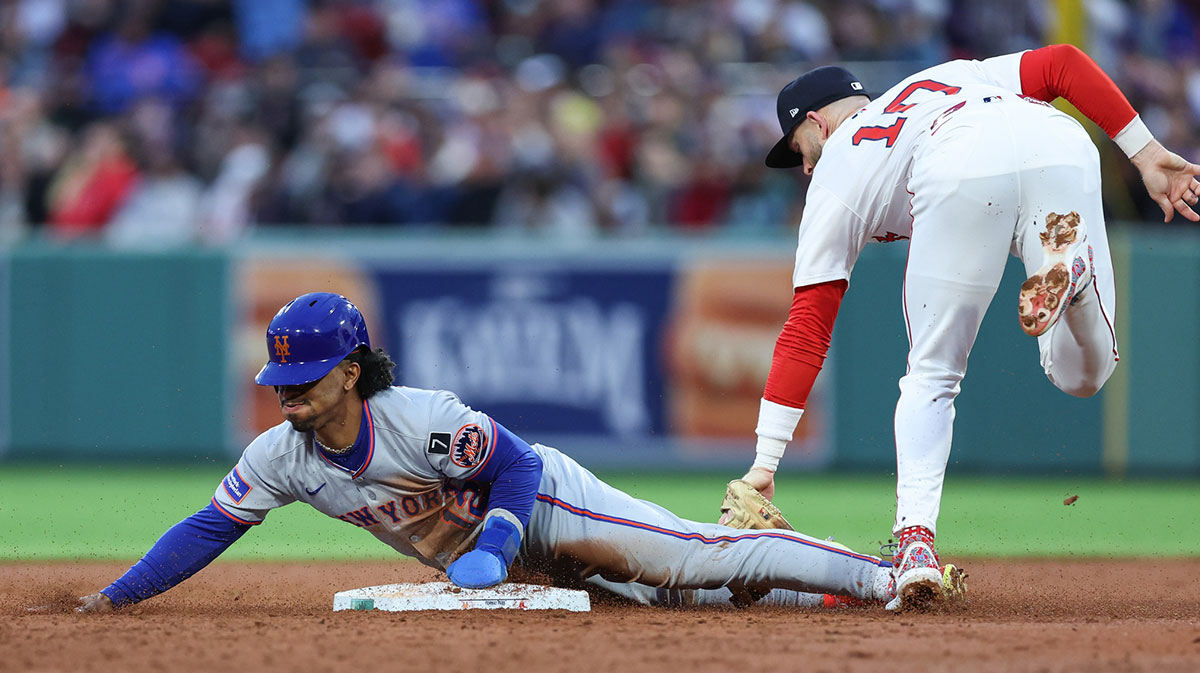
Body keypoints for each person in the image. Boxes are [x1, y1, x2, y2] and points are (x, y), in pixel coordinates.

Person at [77, 291, 919, 614]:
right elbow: (209, 525)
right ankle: (822, 603)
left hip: (543, 501)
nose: (285, 390)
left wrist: (497, 541)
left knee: (688, 559)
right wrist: (117, 597)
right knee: (666, 606)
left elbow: (514, 464)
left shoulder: (423, 418)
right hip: (499, 549)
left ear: (349, 371)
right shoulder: (281, 455)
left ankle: (884, 575)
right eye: (280, 376)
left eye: (302, 376)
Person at [732, 44, 1200, 609]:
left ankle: (915, 547)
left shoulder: (837, 166)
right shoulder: (946, 76)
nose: (804, 166)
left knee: (932, 374)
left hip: (957, 166)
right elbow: (1063, 64)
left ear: (816, 120)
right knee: (1086, 375)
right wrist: (1146, 153)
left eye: (799, 151)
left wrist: (765, 461)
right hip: (1056, 142)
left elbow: (808, 325)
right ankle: (1071, 277)